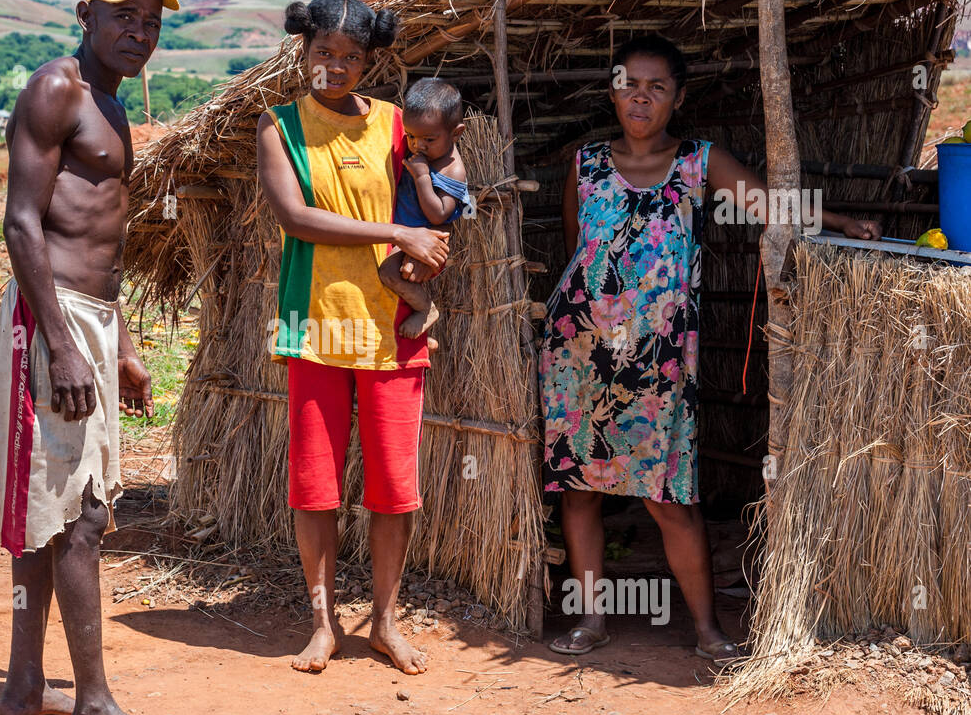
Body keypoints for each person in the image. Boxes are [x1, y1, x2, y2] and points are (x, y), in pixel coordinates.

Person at [542, 34, 879, 660]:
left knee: (670, 497)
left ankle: (707, 630)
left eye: (657, 87)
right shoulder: (585, 165)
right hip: (580, 355)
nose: (640, 98)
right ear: (614, 91)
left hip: (661, 365)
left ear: (678, 98)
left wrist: (837, 222)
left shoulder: (699, 163)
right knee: (580, 490)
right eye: (629, 85)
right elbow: (576, 255)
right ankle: (591, 620)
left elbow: (772, 206)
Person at [0, 0, 182, 715]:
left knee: (51, 510)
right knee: (82, 515)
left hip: (88, 321)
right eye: (123, 16)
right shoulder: (56, 90)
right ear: (85, 16)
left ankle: (25, 684)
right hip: (51, 320)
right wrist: (62, 341)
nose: (139, 32)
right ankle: (93, 706)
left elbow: (104, 239)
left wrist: (118, 343)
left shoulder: (113, 104)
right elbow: (22, 223)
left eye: (151, 22)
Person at [256, 0, 451, 674]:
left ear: (371, 61)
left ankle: (385, 623)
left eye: (350, 57)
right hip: (311, 323)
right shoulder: (279, 126)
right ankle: (323, 624)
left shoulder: (398, 125)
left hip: (391, 325)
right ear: (302, 51)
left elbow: (441, 193)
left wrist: (434, 231)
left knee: (395, 485)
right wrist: (397, 232)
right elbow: (296, 217)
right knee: (316, 484)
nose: (334, 68)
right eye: (323, 54)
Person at [377, 77, 471, 348]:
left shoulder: (451, 169)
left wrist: (421, 177)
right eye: (411, 136)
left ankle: (425, 309)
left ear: (456, 133)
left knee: (389, 273)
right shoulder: (426, 154)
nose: (418, 145)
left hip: (427, 241)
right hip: (405, 235)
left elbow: (439, 215)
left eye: (428, 139)